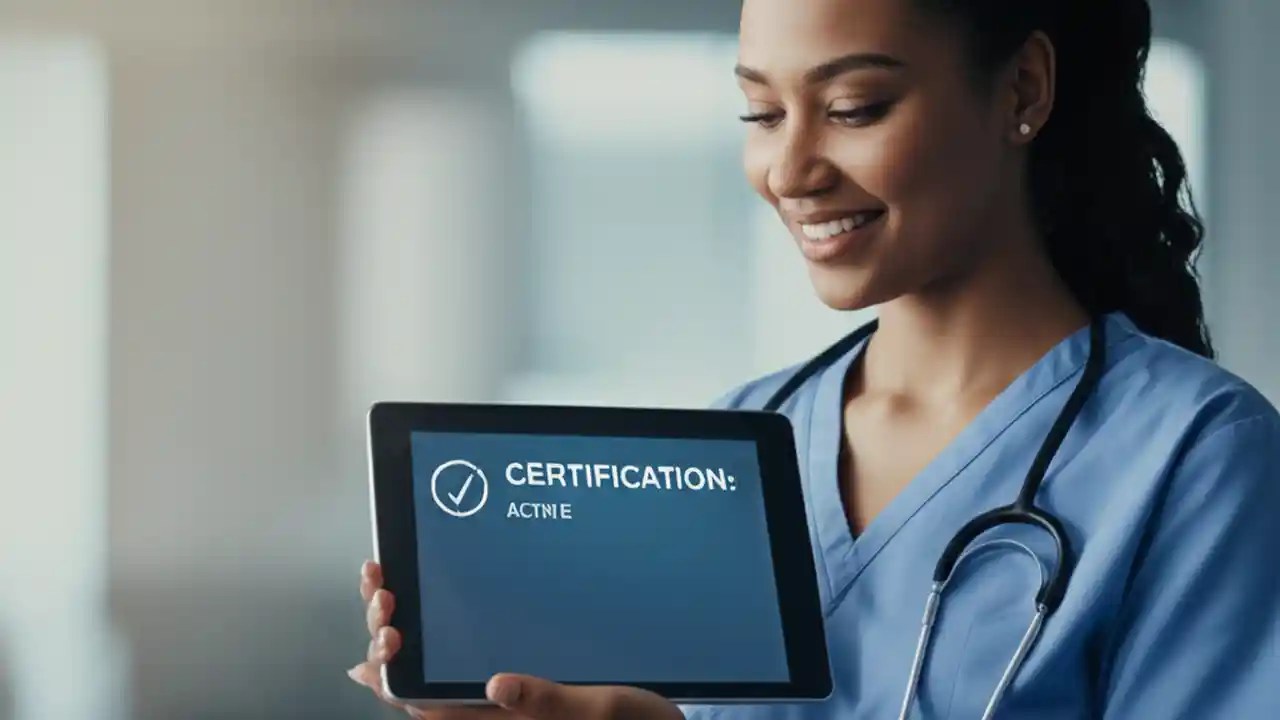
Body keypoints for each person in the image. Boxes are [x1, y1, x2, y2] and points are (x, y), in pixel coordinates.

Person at [348, 0, 1280, 717]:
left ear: (1022, 91)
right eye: (761, 113)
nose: (790, 170)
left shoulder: (1196, 457)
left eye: (852, 108)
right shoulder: (728, 445)